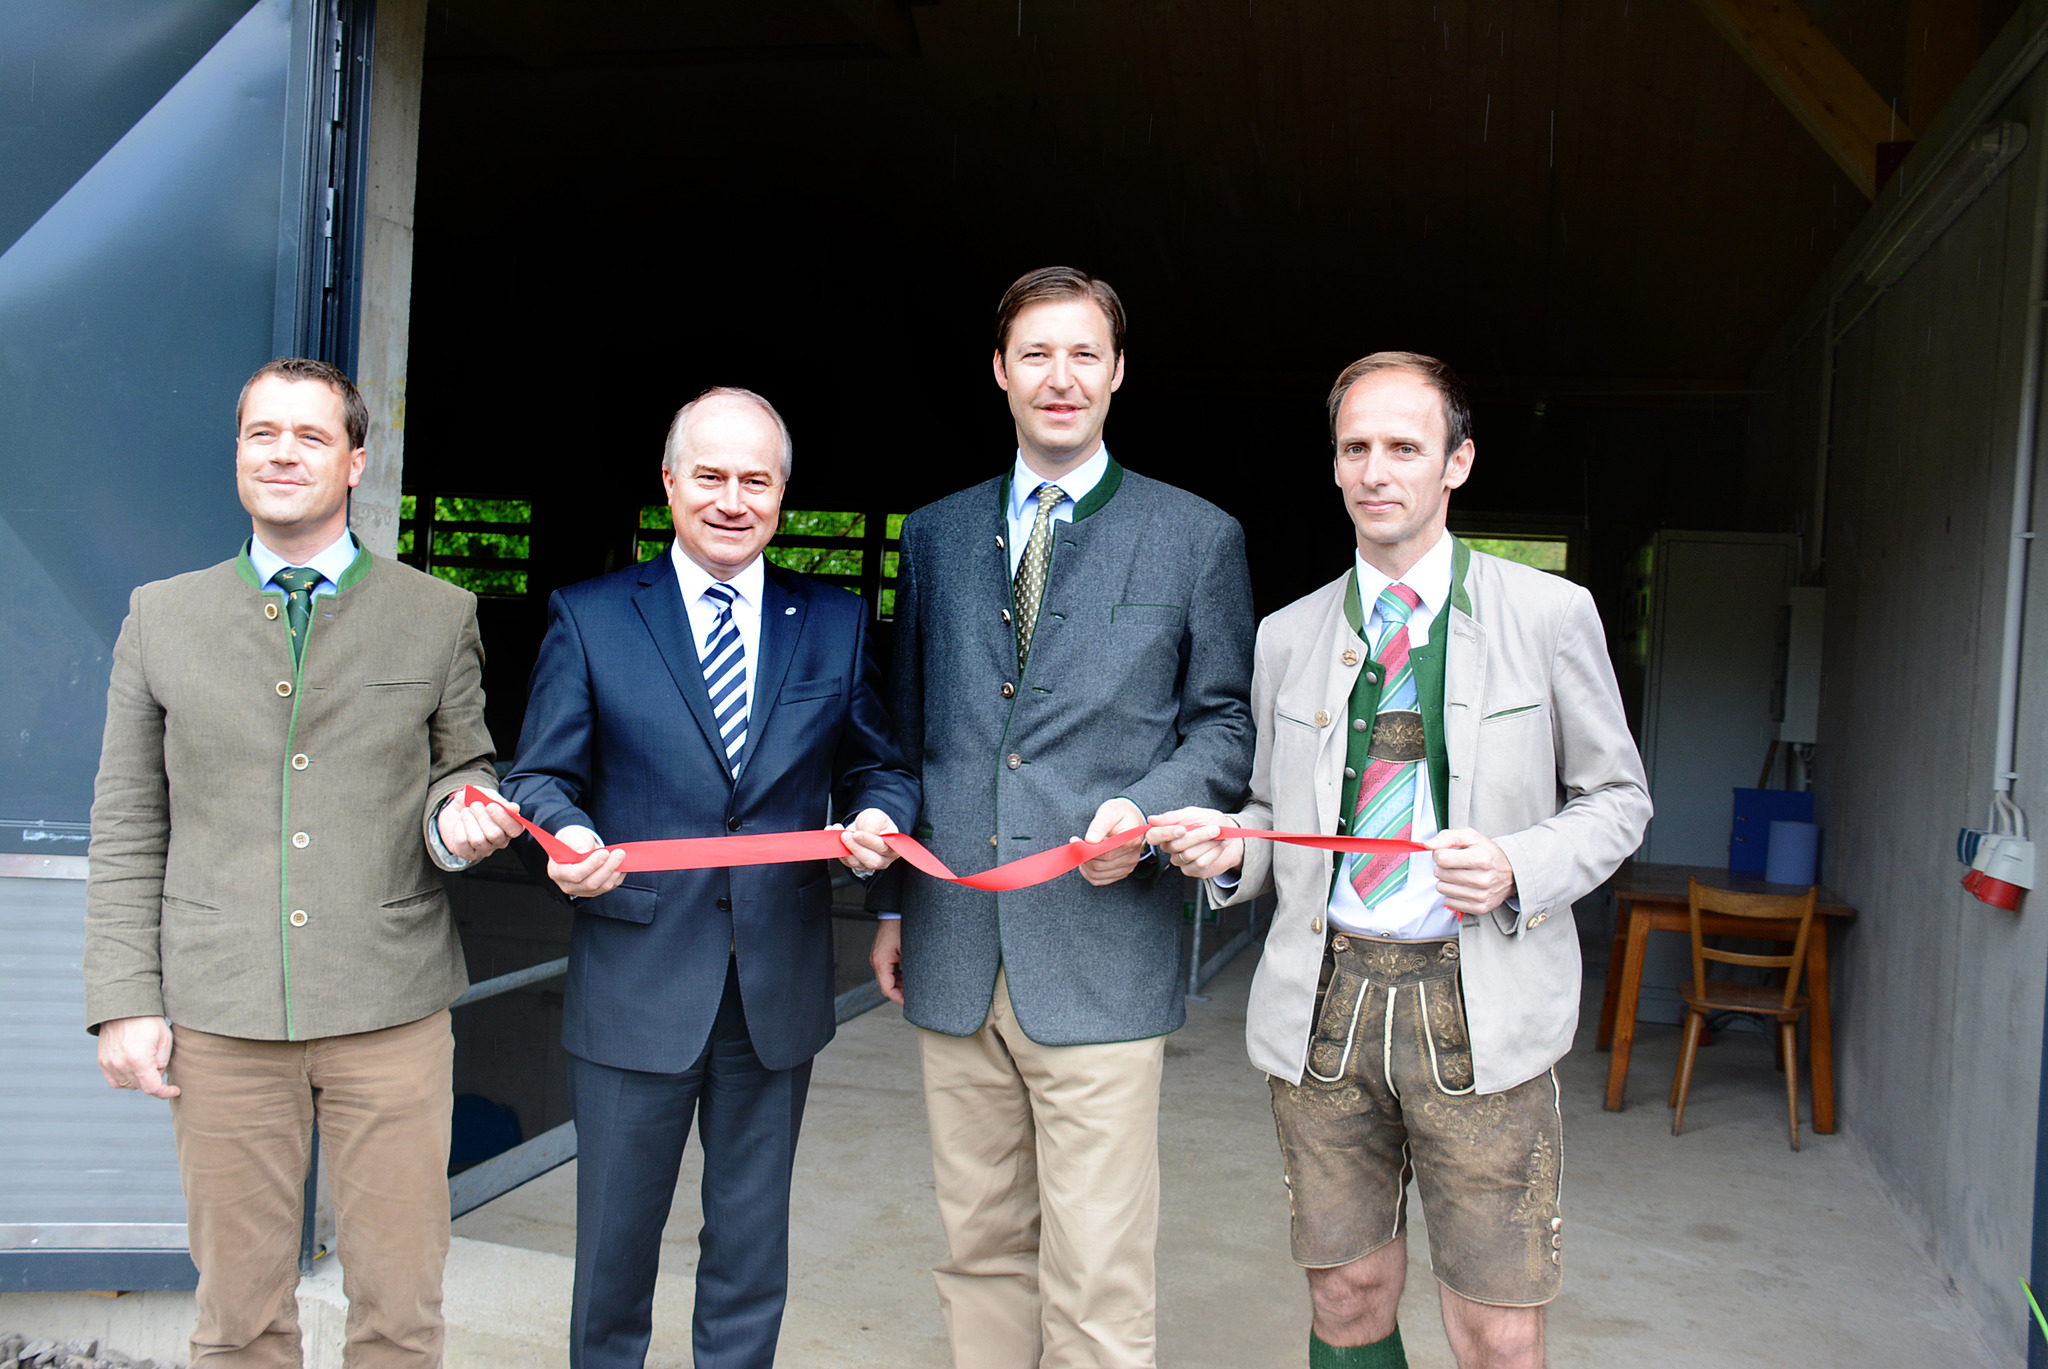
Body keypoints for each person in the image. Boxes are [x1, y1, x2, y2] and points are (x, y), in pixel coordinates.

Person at [1150, 352, 1653, 1369]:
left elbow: (1617, 801)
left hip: (1480, 1008)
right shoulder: (1288, 635)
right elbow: (1262, 809)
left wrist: (1516, 861)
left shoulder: (1547, 616)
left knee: (1498, 1332)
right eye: (1355, 448)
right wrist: (1222, 851)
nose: (1376, 470)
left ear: (1456, 463)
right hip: (1325, 1005)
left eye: (1404, 447)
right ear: (1334, 466)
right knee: (1345, 1296)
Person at [84, 356, 522, 1367]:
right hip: (220, 1007)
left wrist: (459, 818)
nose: (283, 452)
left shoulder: (437, 612)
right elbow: (127, 819)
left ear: (356, 460)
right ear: (238, 453)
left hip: (391, 1005)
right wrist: (123, 996)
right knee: (238, 1320)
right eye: (261, 433)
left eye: (311, 435)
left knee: (400, 1315)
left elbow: (463, 769)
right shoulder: (161, 616)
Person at [867, 266, 1254, 1369]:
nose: (1059, 375)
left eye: (1084, 353)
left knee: (1095, 1277)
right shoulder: (935, 534)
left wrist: (1146, 805)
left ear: (1118, 372)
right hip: (952, 943)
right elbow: (908, 735)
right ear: (998, 371)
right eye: (1035, 352)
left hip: (1101, 950)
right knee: (978, 1253)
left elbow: (1223, 727)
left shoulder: (1194, 536)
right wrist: (897, 902)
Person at [501, 386, 919, 1369]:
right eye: (711, 476)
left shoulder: (833, 622)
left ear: (781, 494)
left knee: (749, 1251)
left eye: (755, 480)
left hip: (773, 987)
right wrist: (561, 834)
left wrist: (877, 816)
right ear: (669, 484)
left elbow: (880, 765)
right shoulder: (592, 616)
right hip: (634, 975)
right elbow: (539, 775)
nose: (732, 500)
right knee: (612, 1251)